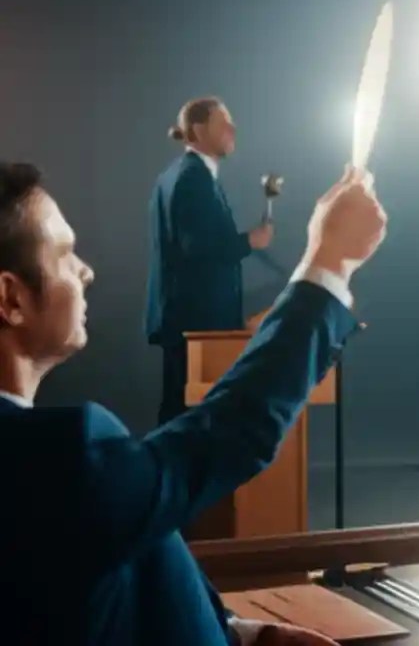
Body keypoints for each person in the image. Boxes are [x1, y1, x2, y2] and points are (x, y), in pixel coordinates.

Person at [0, 159, 388, 644]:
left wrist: (240, 635)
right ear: (10, 299)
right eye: (65, 253)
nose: (86, 271)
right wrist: (328, 264)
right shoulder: (58, 461)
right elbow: (230, 431)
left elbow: (88, 590)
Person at [144, 97, 275, 425]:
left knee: (179, 411)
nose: (233, 129)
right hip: (197, 321)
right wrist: (250, 241)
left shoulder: (175, 175)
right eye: (223, 123)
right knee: (188, 416)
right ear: (199, 130)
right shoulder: (194, 178)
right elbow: (197, 247)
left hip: (182, 317)